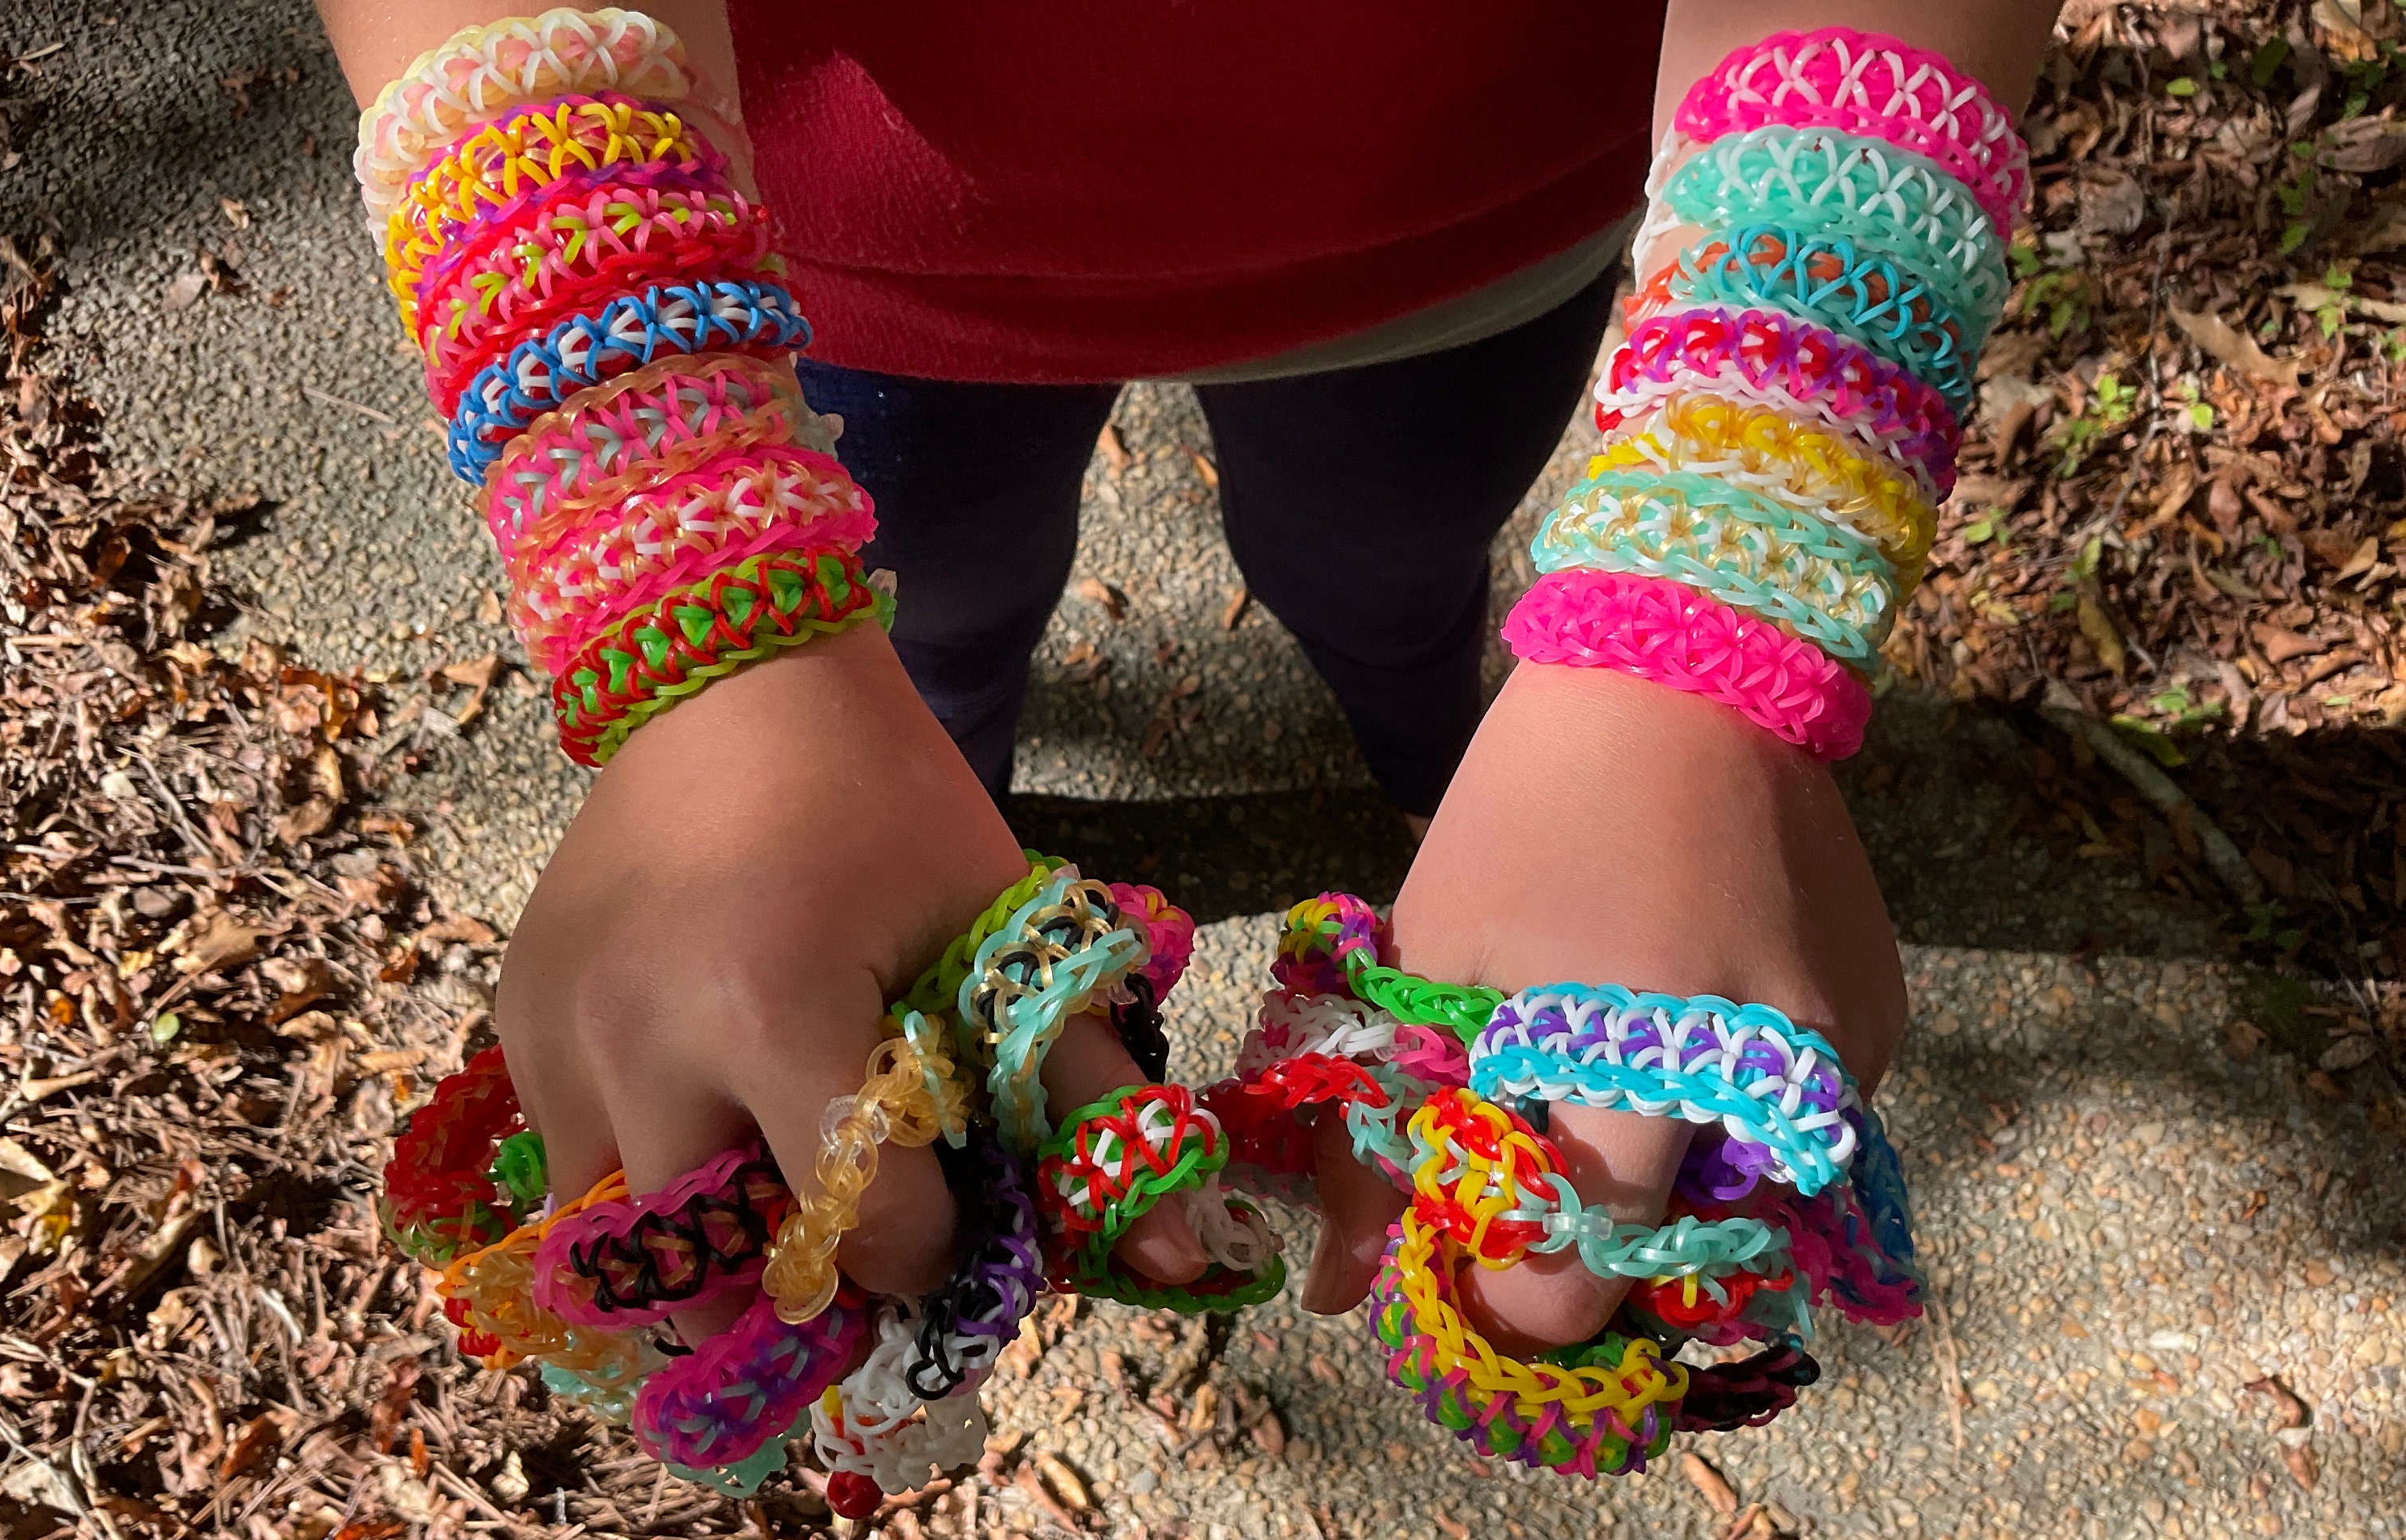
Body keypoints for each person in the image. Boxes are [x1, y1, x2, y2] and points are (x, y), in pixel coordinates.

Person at [321, 0, 2061, 1359]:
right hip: (833, 280)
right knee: (942, 615)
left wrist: (1703, 605)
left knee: (1381, 573)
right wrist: (711, 606)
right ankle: (954, 775)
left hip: (1467, 253)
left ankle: (1420, 734)